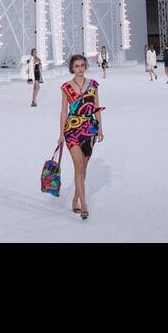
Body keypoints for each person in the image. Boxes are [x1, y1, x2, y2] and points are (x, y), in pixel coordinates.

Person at [57, 54, 104, 220]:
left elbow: (96, 107)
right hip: (72, 129)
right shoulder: (66, 87)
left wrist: (100, 128)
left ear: (85, 67)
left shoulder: (93, 85)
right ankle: (84, 204)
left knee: (83, 167)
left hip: (89, 129)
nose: (79, 68)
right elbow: (63, 111)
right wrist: (61, 133)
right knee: (78, 165)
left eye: (82, 65)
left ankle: (75, 198)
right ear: (72, 68)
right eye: (76, 66)